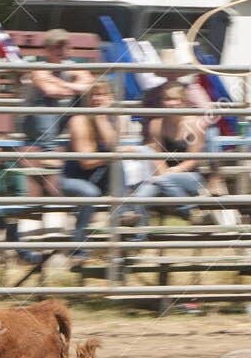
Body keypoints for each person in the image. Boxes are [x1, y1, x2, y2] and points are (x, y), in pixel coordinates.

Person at [131, 80, 207, 230]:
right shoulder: (156, 124)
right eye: (167, 99)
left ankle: (188, 210)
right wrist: (163, 173)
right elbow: (156, 153)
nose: (172, 103)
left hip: (190, 176)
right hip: (162, 175)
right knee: (139, 197)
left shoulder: (194, 125)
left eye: (176, 99)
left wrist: (170, 173)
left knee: (160, 181)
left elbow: (193, 160)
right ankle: (138, 239)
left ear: (184, 102)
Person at [59, 82, 121, 258]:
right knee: (90, 193)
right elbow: (86, 162)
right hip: (73, 178)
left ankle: (126, 220)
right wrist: (113, 155)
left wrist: (102, 119)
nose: (96, 99)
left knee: (120, 164)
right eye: (93, 95)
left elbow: (113, 146)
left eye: (102, 95)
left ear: (110, 99)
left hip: (97, 176)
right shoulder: (78, 120)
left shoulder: (113, 119)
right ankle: (77, 246)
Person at [22, 29, 95, 151]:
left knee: (84, 98)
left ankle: (90, 146)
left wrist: (60, 83)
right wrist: (75, 88)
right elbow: (50, 91)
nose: (60, 50)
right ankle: (48, 151)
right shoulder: (39, 68)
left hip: (60, 122)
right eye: (55, 47)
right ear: (47, 49)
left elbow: (89, 86)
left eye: (63, 46)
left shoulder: (73, 66)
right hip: (33, 125)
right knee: (46, 100)